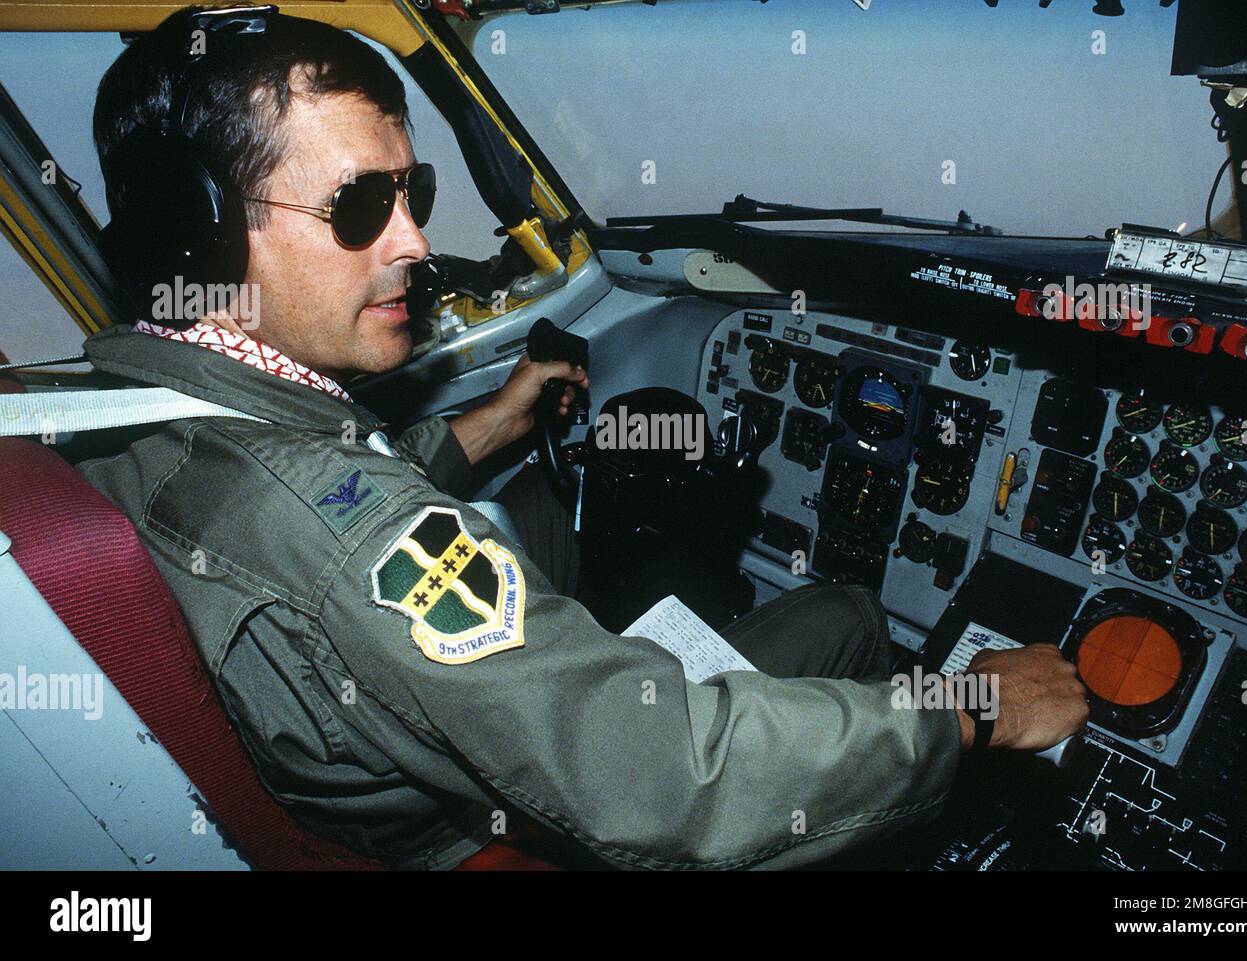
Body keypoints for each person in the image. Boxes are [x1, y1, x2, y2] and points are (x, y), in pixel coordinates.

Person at [78, 6, 1088, 869]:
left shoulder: (133, 418)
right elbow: (670, 773)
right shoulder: (348, 536)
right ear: (197, 232)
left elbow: (321, 514)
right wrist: (967, 710)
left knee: (549, 516)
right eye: (359, 205)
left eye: (411, 193)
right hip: (483, 825)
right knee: (847, 615)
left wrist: (491, 423)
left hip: (380, 785)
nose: (417, 242)